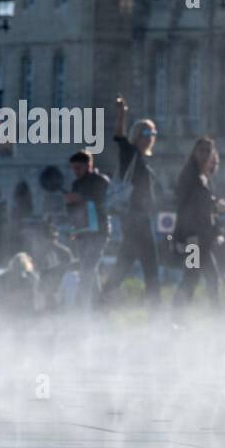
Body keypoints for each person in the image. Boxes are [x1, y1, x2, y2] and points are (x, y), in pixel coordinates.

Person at [101, 97, 162, 306]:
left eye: (153, 134)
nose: (150, 138)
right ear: (137, 136)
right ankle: (157, 314)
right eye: (146, 134)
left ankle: (99, 303)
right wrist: (122, 113)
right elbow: (118, 138)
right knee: (150, 266)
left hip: (137, 220)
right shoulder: (131, 154)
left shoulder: (142, 160)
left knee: (124, 265)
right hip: (137, 221)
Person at [172, 137, 225, 309]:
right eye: (201, 150)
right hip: (193, 238)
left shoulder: (204, 177)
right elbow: (189, 205)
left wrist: (216, 225)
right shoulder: (190, 176)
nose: (204, 154)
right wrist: (214, 206)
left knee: (205, 277)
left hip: (202, 238)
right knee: (193, 277)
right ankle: (177, 316)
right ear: (194, 153)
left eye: (208, 151)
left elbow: (204, 209)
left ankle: (214, 318)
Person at [64, 150, 110, 310]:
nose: (75, 172)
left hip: (98, 233)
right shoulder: (76, 184)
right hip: (82, 233)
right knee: (91, 271)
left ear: (88, 165)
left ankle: (79, 307)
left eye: (78, 168)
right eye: (73, 168)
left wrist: (81, 198)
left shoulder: (101, 181)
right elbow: (72, 211)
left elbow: (104, 201)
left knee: (87, 270)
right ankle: (99, 309)